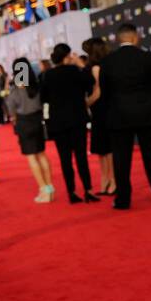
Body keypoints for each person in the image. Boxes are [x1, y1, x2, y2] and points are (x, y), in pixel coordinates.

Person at [99, 23, 151, 210]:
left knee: (121, 160)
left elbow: (105, 93)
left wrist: (112, 112)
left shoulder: (108, 61)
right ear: (135, 37)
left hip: (119, 117)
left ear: (119, 39)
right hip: (148, 115)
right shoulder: (147, 58)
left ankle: (123, 199)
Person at [40, 42, 99, 203]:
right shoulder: (75, 71)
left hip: (58, 123)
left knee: (65, 159)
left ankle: (71, 192)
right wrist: (80, 64)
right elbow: (90, 83)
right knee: (81, 157)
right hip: (77, 119)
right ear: (67, 57)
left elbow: (43, 98)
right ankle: (88, 190)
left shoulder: (47, 75)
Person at [7, 57, 55, 203]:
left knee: (32, 157)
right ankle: (50, 188)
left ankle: (43, 189)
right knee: (41, 154)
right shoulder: (36, 84)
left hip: (24, 122)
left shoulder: (15, 87)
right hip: (37, 120)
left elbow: (11, 107)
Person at [84, 38, 116, 196]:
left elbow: (98, 92)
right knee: (101, 149)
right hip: (100, 111)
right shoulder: (98, 65)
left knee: (107, 148)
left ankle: (113, 181)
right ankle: (105, 180)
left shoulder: (96, 67)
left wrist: (86, 103)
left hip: (103, 110)